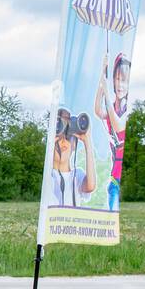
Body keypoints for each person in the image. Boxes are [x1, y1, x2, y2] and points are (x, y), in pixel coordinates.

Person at [94, 52, 130, 211]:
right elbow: (97, 110)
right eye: (117, 79)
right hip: (114, 174)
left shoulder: (125, 109)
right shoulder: (113, 106)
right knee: (111, 192)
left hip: (121, 173)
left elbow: (117, 124)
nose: (120, 84)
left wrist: (107, 94)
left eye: (124, 80)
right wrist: (103, 74)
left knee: (113, 194)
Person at [49, 108, 97, 206]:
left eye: (67, 137)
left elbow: (91, 186)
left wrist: (87, 142)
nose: (63, 142)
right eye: (58, 138)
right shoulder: (48, 175)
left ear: (74, 145)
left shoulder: (77, 175)